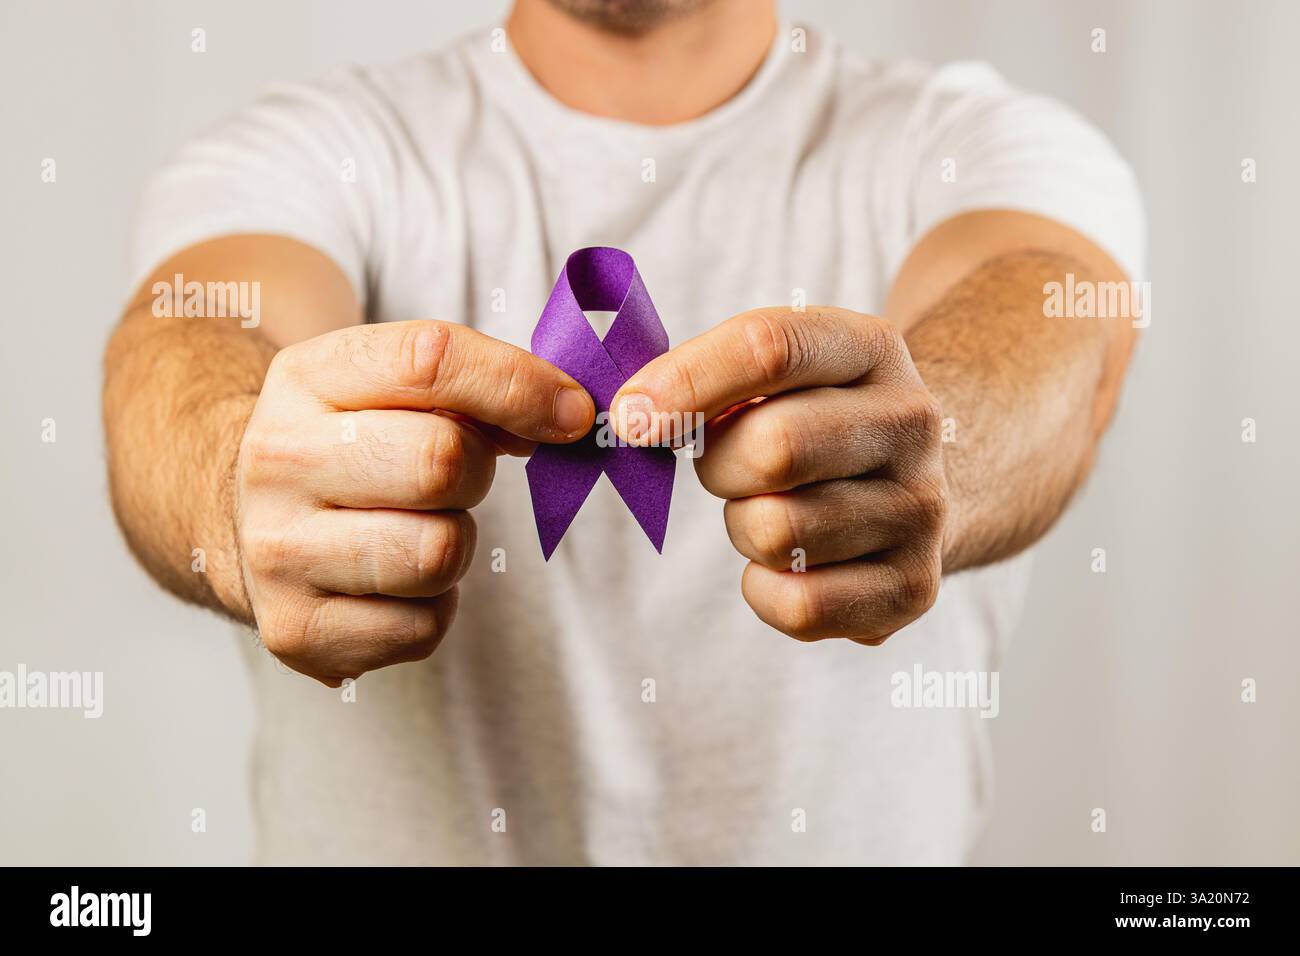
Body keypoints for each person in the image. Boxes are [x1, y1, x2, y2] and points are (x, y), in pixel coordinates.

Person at [103, 0, 1144, 864]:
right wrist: (236, 477)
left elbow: (1053, 322)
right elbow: (189, 339)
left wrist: (939, 445)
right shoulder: (309, 152)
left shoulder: (979, 145)